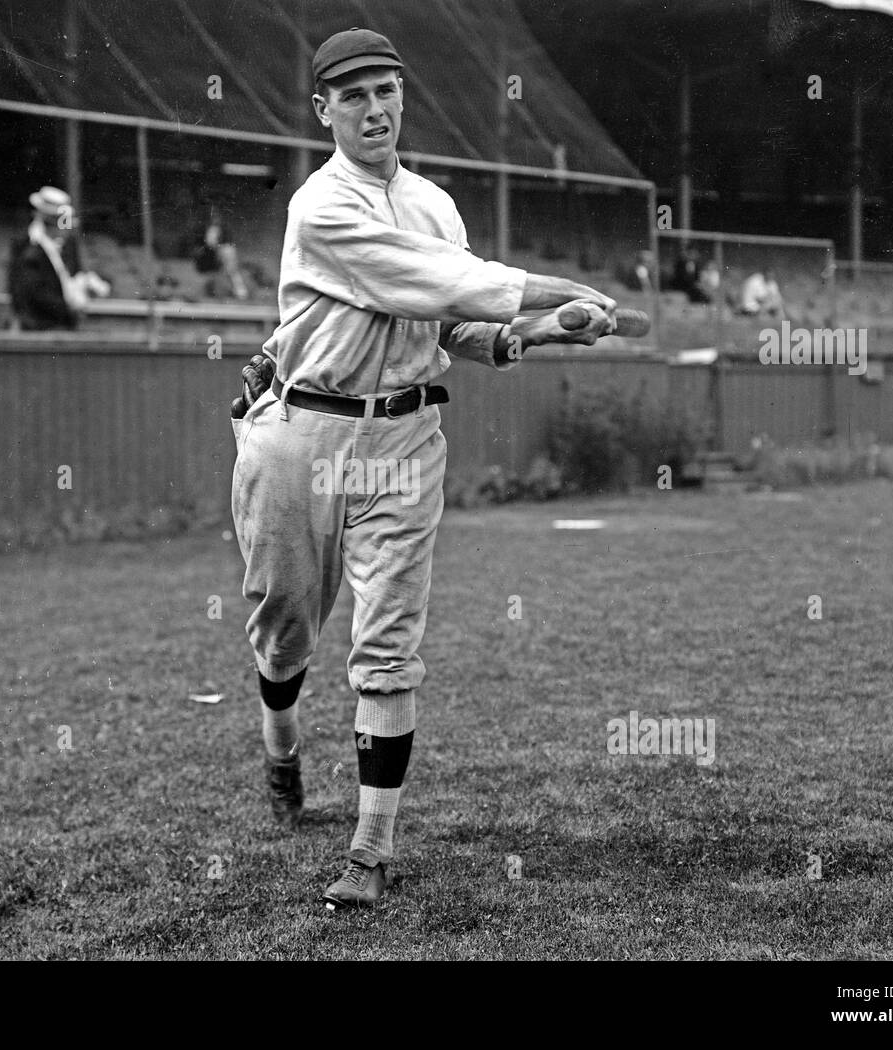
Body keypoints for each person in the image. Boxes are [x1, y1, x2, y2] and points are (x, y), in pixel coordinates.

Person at [227, 27, 616, 910]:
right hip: (303, 432)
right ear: (324, 110)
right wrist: (554, 291)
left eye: (386, 90)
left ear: (404, 97)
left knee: (389, 650)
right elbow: (436, 281)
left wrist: (542, 332)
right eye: (353, 95)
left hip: (404, 441)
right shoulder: (319, 207)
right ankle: (282, 744)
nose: (374, 108)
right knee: (286, 631)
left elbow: (451, 324)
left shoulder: (436, 204)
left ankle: (370, 851)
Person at [7, 185, 110, 331]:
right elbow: (27, 291)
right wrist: (68, 307)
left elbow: (72, 272)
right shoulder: (26, 247)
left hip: (60, 319)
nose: (66, 231)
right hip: (42, 324)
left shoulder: (67, 243)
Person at [194, 219, 250, 300]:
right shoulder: (213, 230)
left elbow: (211, 242)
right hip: (217, 252)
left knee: (231, 272)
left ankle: (240, 292)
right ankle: (237, 292)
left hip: (223, 250)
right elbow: (210, 242)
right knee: (226, 273)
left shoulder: (226, 248)